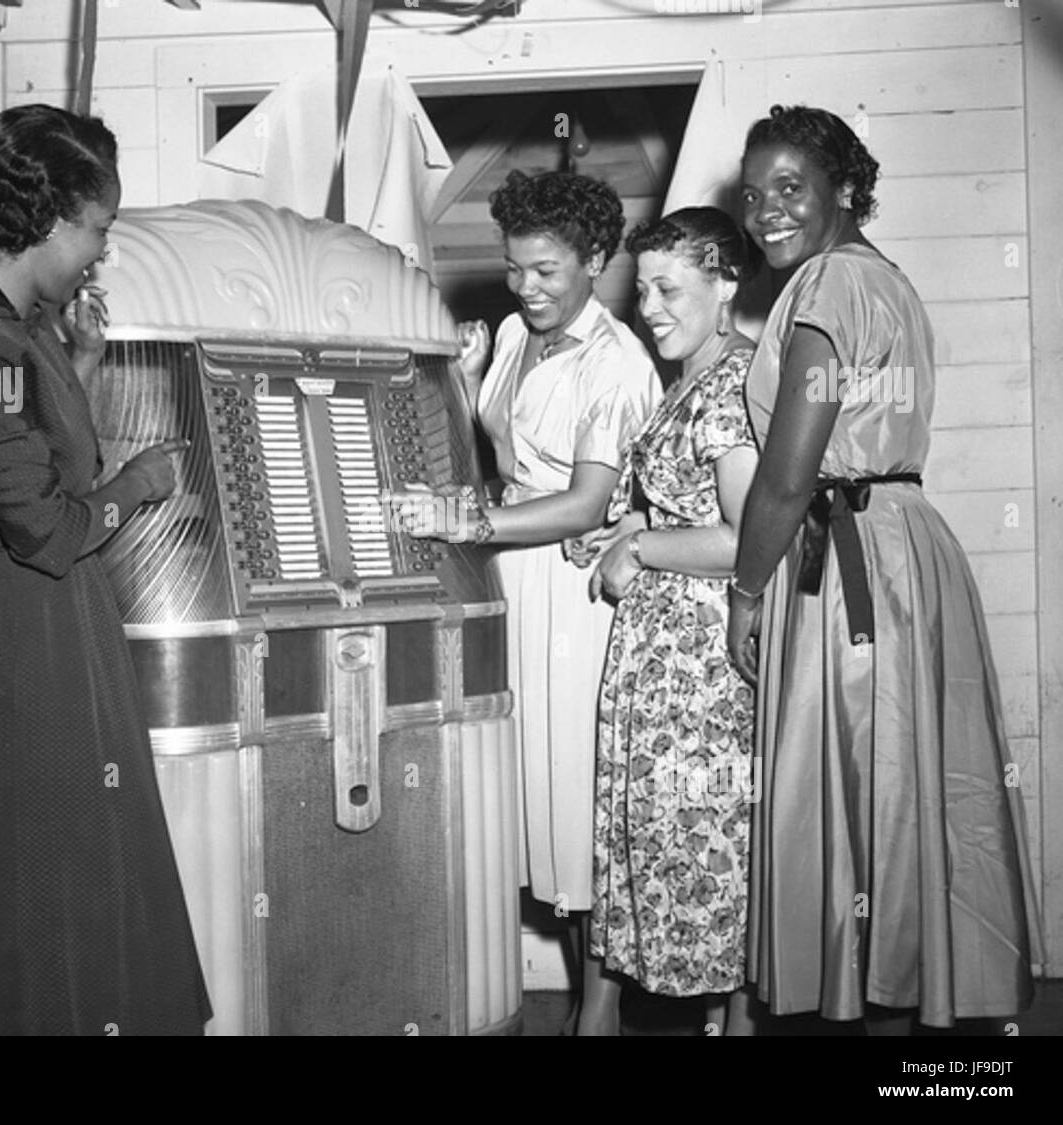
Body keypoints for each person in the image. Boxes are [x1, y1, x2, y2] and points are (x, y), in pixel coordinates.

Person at [0, 104, 212, 1034]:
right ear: (48, 218)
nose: (101, 250)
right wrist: (140, 481)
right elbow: (52, 529)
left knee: (58, 886)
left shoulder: (12, 326)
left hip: (50, 624)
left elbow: (40, 470)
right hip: (11, 638)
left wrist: (83, 364)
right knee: (27, 896)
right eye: (99, 227)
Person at [726, 104, 1040, 1030]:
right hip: (903, 546)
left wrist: (745, 593)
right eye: (752, 195)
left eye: (791, 188)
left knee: (855, 803)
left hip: (848, 558)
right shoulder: (887, 281)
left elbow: (786, 477)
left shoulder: (826, 288)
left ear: (845, 190)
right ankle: (912, 1026)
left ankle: (877, 1016)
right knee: (900, 801)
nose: (766, 211)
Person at [398, 169, 659, 1028]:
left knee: (578, 802)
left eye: (546, 269)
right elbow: (508, 452)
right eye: (515, 267)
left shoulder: (617, 362)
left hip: (575, 595)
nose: (526, 287)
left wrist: (464, 520)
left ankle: (600, 1010)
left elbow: (586, 503)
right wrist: (472, 377)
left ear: (594, 259)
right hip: (511, 576)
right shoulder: (513, 332)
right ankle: (581, 1003)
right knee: (532, 801)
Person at [566, 207, 759, 1036]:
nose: (649, 307)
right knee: (679, 840)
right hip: (666, 658)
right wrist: (623, 527)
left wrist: (641, 547)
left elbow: (748, 540)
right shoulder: (694, 378)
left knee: (712, 841)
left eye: (669, 288)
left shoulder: (733, 385)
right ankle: (724, 1018)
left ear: (726, 284)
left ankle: (739, 1018)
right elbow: (683, 506)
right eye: (641, 288)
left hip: (704, 667)